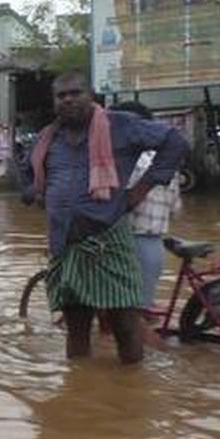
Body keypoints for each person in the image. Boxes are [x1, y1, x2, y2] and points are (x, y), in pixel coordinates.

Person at [20, 70, 188, 364]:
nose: (68, 100)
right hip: (64, 244)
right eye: (61, 96)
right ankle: (79, 388)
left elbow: (174, 142)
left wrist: (141, 189)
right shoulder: (48, 138)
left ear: (91, 96)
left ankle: (132, 391)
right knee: (76, 328)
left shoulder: (120, 126)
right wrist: (33, 191)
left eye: (76, 93)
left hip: (108, 239)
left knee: (125, 324)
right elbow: (24, 171)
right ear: (54, 102)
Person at [111, 101, 182, 316]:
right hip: (155, 246)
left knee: (121, 318)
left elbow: (111, 205)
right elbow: (175, 208)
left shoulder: (128, 161)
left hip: (129, 247)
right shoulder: (167, 162)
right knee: (138, 312)